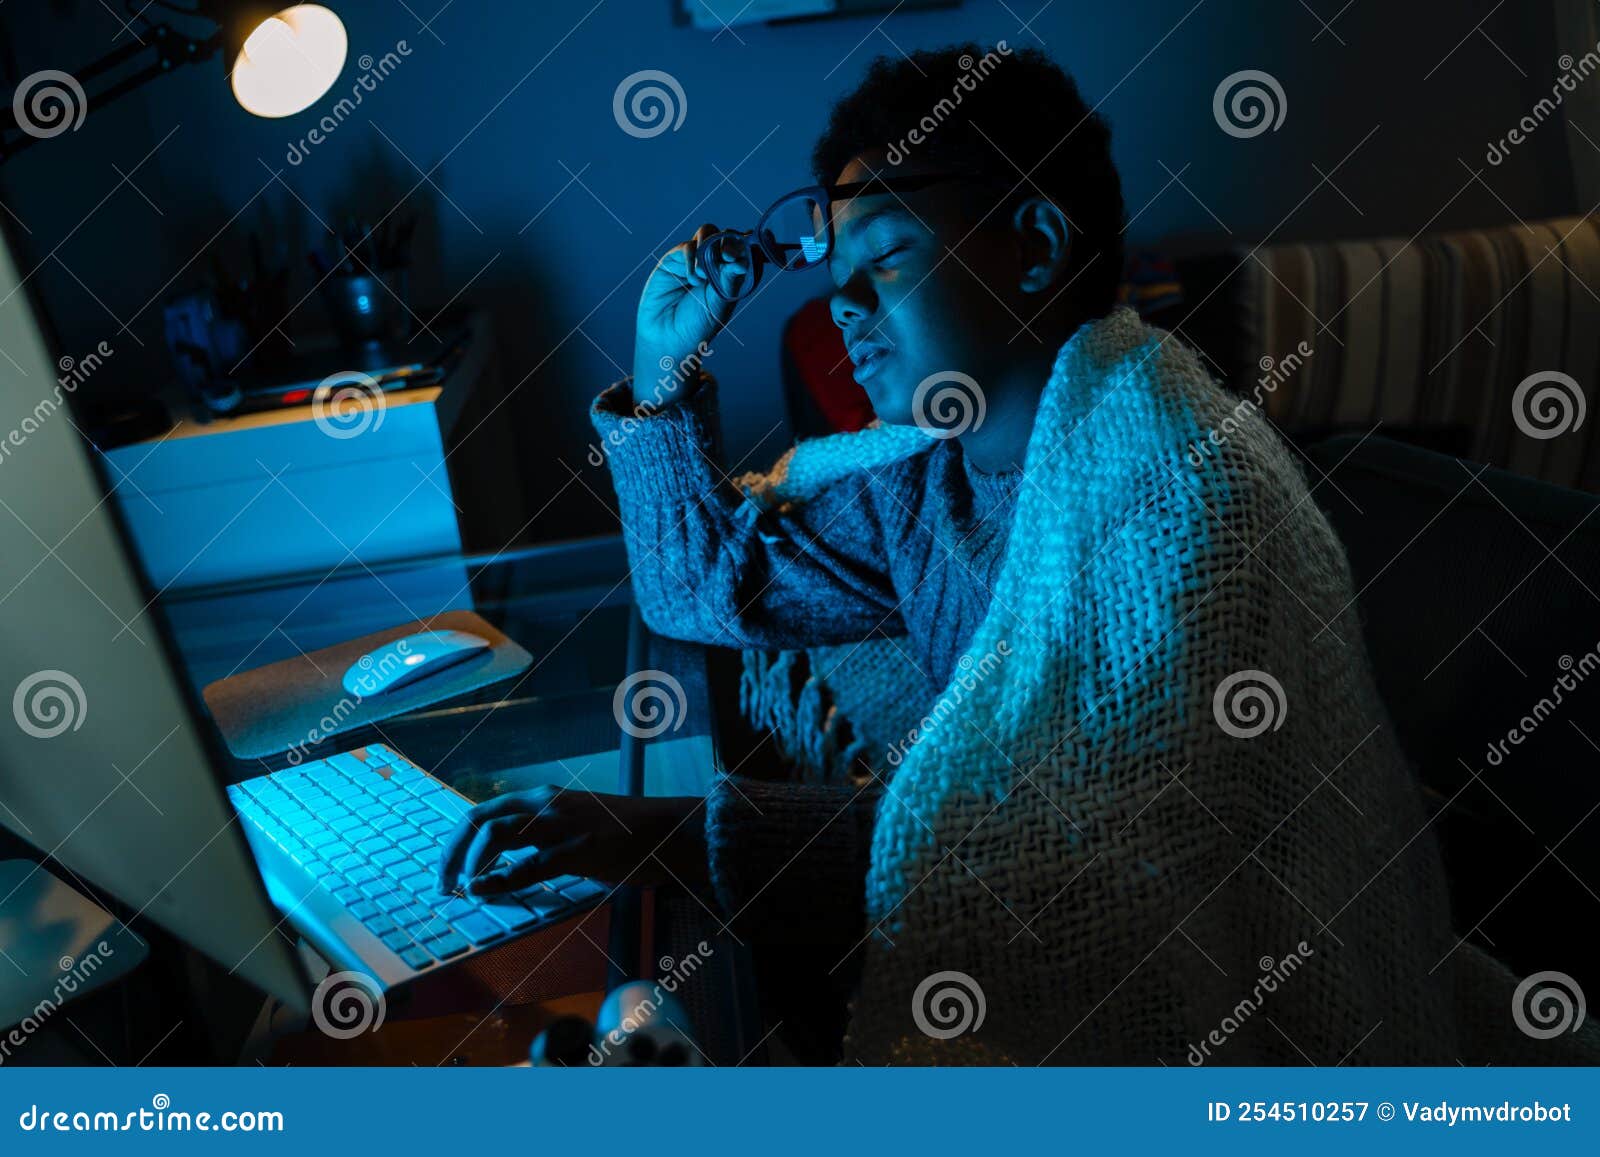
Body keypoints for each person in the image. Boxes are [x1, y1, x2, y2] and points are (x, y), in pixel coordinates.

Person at [439, 44, 1586, 1065]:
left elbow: (1083, 885)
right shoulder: (921, 477)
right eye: (834, 278)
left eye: (881, 262)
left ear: (1035, 244)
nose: (842, 308)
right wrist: (660, 365)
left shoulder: (1179, 498)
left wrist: (661, 833)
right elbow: (698, 589)